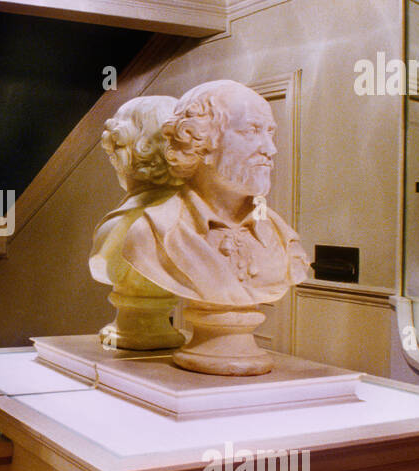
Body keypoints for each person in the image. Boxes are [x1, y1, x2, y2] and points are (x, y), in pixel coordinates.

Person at [121, 80, 309, 309]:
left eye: (270, 132)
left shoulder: (283, 237)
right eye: (251, 131)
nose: (270, 149)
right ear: (198, 140)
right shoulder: (151, 234)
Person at [89, 95, 187, 349]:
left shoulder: (130, 223)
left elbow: (104, 264)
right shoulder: (187, 216)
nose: (111, 156)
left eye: (115, 148)